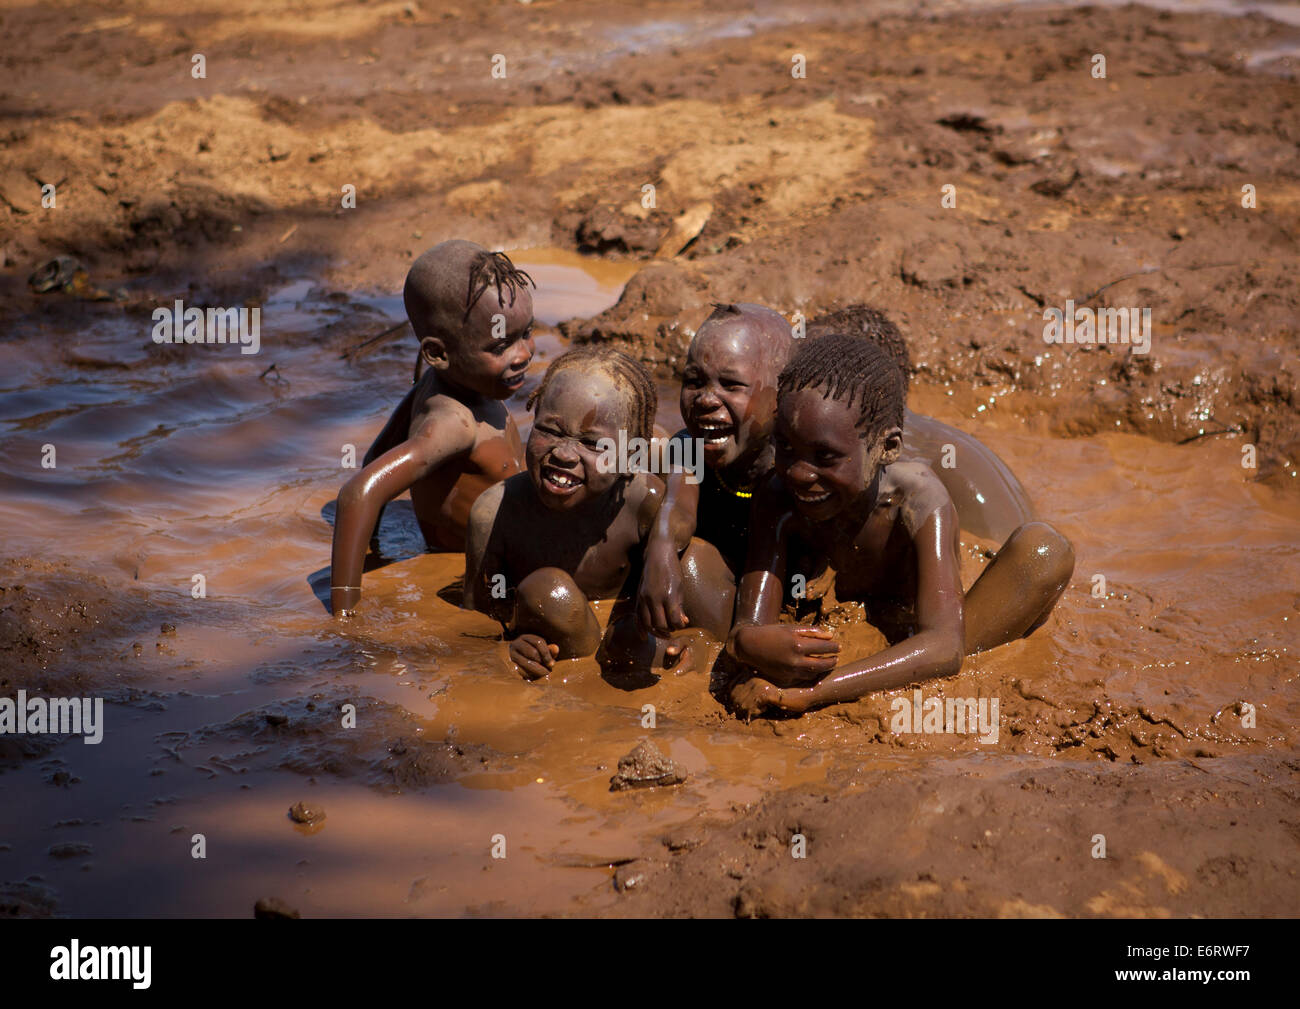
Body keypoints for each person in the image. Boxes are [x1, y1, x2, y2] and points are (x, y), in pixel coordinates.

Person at [726, 332, 1075, 718]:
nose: (799, 472)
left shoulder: (919, 501)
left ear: (888, 448)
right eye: (786, 447)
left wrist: (817, 692)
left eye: (825, 456)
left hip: (929, 635)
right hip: (884, 636)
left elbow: (944, 644)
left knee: (1044, 549)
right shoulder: (777, 498)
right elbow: (748, 627)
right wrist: (748, 645)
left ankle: (887, 671)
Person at [329, 240, 535, 616]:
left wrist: (375, 544)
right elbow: (359, 493)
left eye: (526, 333)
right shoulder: (452, 423)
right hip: (472, 573)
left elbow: (377, 455)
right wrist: (344, 610)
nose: (522, 355)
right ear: (439, 353)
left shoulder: (443, 385)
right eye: (501, 345)